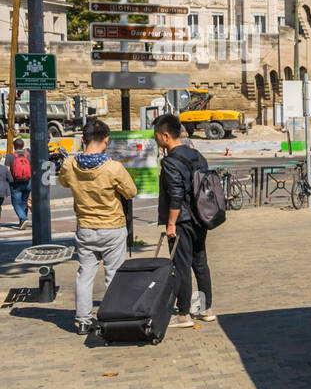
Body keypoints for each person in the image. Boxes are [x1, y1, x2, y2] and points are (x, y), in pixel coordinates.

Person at [57, 118, 138, 335]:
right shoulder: (113, 168)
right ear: (107, 140)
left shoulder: (70, 165)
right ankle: (111, 316)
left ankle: (83, 320)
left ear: (83, 139)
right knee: (113, 273)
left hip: (85, 227)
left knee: (85, 274)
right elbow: (131, 192)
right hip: (112, 227)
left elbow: (63, 182)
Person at [153, 113, 215, 328]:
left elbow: (176, 195)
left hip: (182, 220)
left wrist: (171, 224)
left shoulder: (170, 162)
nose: (156, 140)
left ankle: (184, 314)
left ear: (166, 136)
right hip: (201, 217)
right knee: (200, 263)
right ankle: (206, 309)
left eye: (156, 136)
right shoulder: (197, 155)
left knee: (181, 266)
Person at [5, 137, 31, 229]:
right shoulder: (28, 155)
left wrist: (8, 180)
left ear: (14, 146)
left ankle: (23, 219)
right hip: (27, 182)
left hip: (15, 184)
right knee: (24, 202)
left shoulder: (9, 156)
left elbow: (7, 170)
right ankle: (22, 222)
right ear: (23, 146)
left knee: (16, 203)